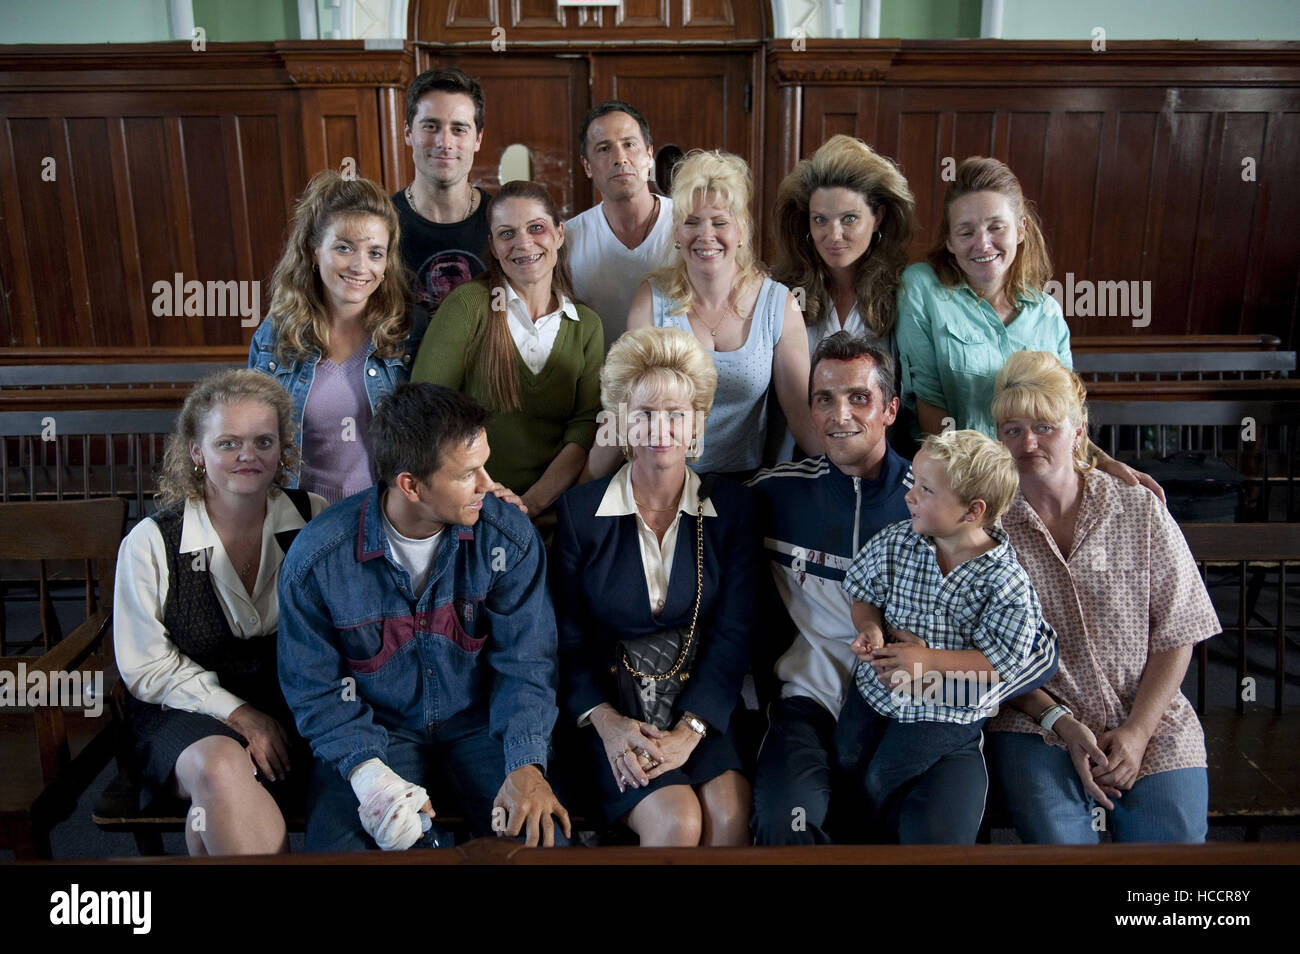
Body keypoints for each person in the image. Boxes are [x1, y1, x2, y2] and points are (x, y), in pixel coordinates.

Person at [278, 383, 570, 851]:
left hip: (485, 726)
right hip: (375, 730)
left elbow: (527, 664)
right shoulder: (318, 559)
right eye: (467, 474)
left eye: (484, 466)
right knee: (337, 855)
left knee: (541, 844)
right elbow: (314, 688)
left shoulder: (508, 539)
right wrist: (367, 773)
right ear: (410, 485)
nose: (487, 485)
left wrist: (525, 763)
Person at [985, 351, 1220, 843]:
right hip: (1040, 721)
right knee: (1061, 845)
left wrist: (1137, 732)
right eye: (1012, 430)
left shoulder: (1138, 507)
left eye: (1045, 426)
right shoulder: (989, 529)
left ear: (1078, 429)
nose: (1027, 442)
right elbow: (988, 654)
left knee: (1173, 855)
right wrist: (1062, 722)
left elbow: (1179, 631)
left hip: (1147, 713)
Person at [552, 326, 755, 846]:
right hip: (612, 717)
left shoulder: (730, 508)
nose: (660, 428)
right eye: (643, 414)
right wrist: (607, 722)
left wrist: (692, 730)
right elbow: (567, 642)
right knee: (676, 821)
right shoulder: (581, 514)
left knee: (729, 816)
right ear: (622, 424)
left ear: (696, 427)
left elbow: (734, 635)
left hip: (699, 711)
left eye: (675, 414)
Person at [113, 370, 329, 856]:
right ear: (196, 452)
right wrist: (241, 715)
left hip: (295, 699)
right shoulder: (150, 541)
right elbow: (146, 668)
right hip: (182, 708)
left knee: (206, 818)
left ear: (281, 450)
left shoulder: (314, 514)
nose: (248, 456)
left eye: (263, 441)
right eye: (228, 442)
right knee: (219, 768)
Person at [895, 156, 1163, 499]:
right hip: (960, 487)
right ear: (949, 241)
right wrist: (974, 497)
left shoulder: (1047, 313)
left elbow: (1063, 414)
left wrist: (1103, 461)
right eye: (966, 231)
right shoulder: (921, 288)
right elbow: (929, 407)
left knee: (1132, 497)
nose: (982, 243)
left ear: (1020, 229)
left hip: (1038, 481)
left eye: (996, 227)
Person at [837, 428, 1058, 843]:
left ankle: (882, 827)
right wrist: (868, 627)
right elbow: (863, 594)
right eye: (913, 483)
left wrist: (929, 661)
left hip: (947, 707)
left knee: (887, 771)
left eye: (925, 490)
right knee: (847, 754)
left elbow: (1000, 663)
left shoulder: (1005, 582)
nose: (910, 496)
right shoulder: (899, 542)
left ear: (973, 511)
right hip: (876, 691)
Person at [747, 333, 913, 845]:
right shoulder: (775, 493)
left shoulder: (933, 501)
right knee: (784, 823)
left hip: (907, 707)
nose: (840, 414)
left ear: (890, 409)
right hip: (806, 703)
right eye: (825, 399)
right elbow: (674, 499)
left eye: (858, 398)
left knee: (912, 835)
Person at [622, 150, 820, 479]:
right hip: (665, 479)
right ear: (676, 232)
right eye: (692, 222)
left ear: (741, 229)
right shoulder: (650, 301)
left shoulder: (779, 304)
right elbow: (631, 416)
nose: (706, 236)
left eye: (720, 222)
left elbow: (803, 422)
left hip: (750, 485)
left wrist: (853, 477)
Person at [411, 180, 603, 517]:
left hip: (559, 511)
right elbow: (427, 410)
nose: (523, 243)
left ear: (559, 234)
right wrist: (490, 496)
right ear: (493, 245)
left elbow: (586, 427)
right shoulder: (468, 306)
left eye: (536, 228)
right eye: (507, 233)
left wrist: (533, 503)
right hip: (474, 508)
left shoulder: (586, 324)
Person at [249, 170, 427, 505]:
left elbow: (433, 437)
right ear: (314, 250)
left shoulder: (410, 330)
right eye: (344, 248)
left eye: (375, 253)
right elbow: (253, 437)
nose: (361, 266)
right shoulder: (276, 334)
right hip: (298, 516)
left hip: (385, 515)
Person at [772, 134, 915, 375]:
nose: (834, 235)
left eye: (849, 218)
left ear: (877, 217)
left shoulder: (905, 294)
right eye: (820, 220)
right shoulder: (781, 292)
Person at [566, 101, 675, 348]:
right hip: (600, 382)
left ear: (649, 155)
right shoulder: (568, 238)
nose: (620, 158)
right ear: (587, 165)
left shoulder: (689, 225)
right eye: (604, 149)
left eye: (629, 144)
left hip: (678, 379)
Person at [392, 68, 492, 310]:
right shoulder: (381, 223)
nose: (445, 142)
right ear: (408, 132)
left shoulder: (501, 222)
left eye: (458, 129)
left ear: (477, 139)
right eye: (430, 126)